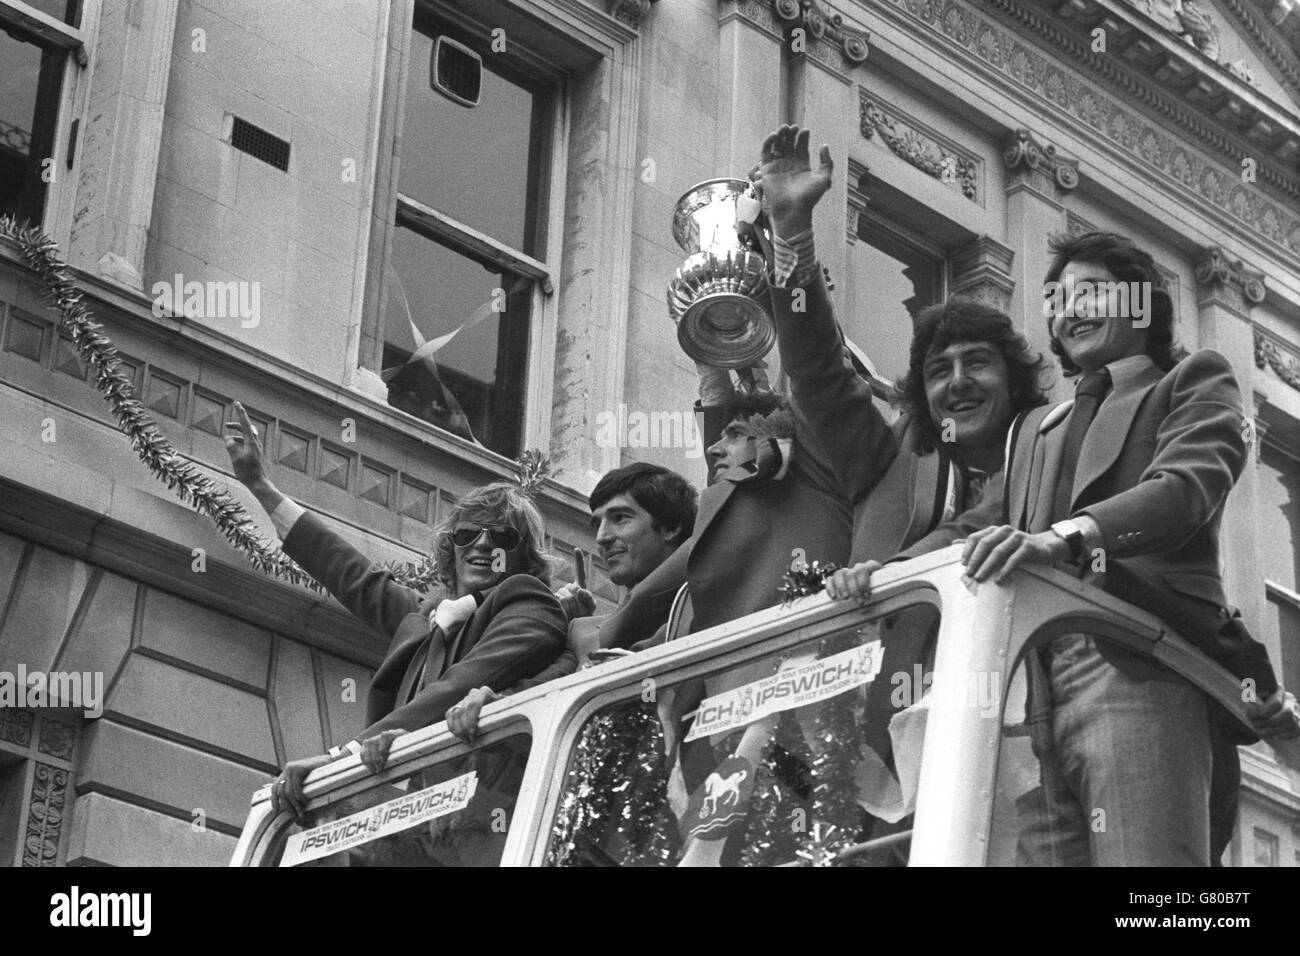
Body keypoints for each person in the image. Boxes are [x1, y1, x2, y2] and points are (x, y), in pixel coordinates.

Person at [831, 231, 1300, 865]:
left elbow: (1184, 490)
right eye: (1058, 298)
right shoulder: (1037, 428)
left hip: (1136, 662)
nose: (1070, 310)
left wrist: (1064, 538)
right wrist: (883, 574)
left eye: (1093, 293)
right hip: (1029, 690)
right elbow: (974, 528)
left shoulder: (1191, 380)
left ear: (1143, 305)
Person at [222, 402, 567, 821]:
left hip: (482, 823)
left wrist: (342, 757)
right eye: (467, 534)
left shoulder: (529, 602)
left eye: (501, 537)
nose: (481, 545)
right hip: (404, 828)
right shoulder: (424, 619)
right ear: (450, 547)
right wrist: (260, 485)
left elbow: (463, 682)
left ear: (524, 558)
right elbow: (350, 573)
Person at [446, 462, 698, 739]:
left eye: (621, 518)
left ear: (671, 527)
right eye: (597, 523)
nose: (601, 537)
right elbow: (542, 693)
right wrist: (495, 703)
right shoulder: (581, 631)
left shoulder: (705, 602)